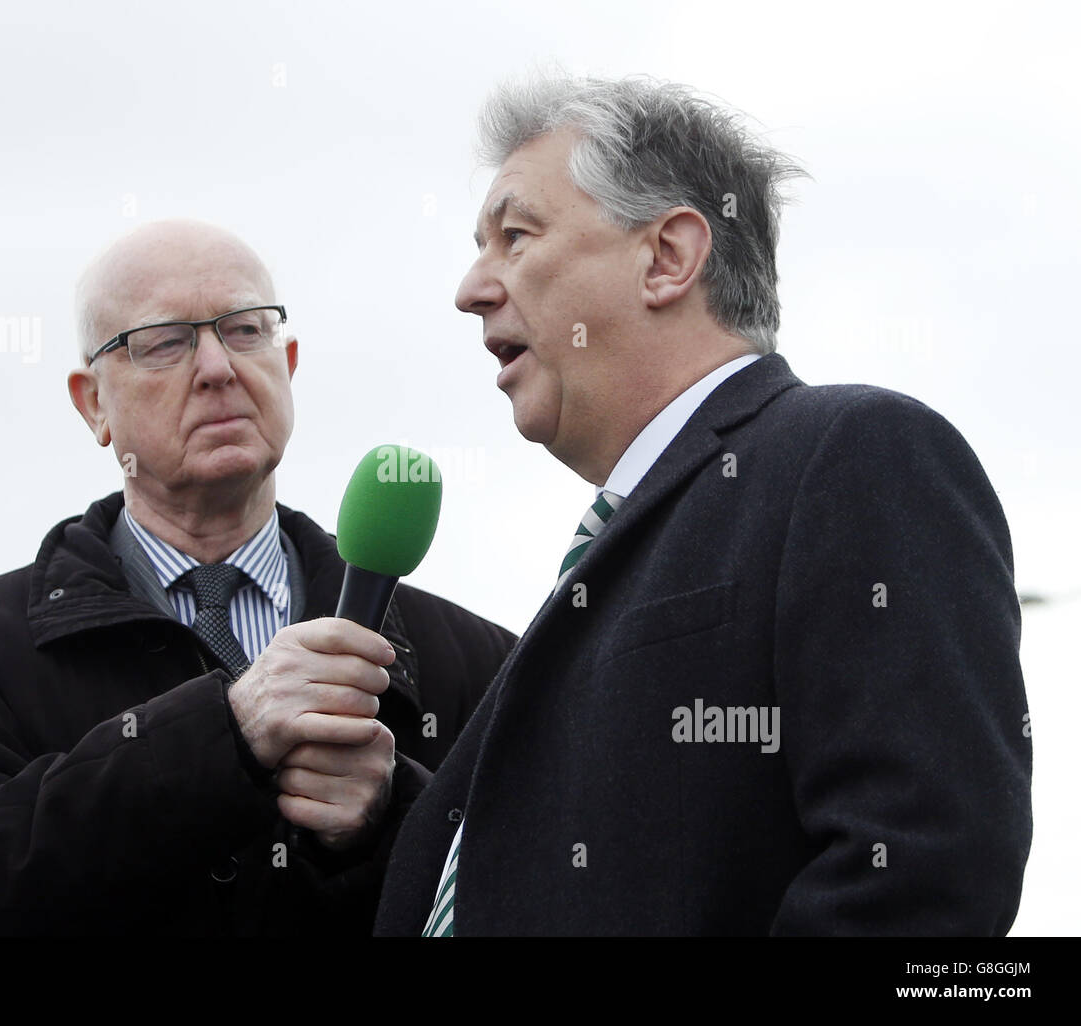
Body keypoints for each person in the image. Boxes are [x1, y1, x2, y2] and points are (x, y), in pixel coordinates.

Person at [375, 75, 1032, 936]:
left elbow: (922, 868)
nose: (471, 287)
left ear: (669, 259)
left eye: (515, 236)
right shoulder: (615, 540)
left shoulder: (855, 452)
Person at [0, 219, 515, 936]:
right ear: (93, 403)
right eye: (166, 341)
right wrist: (222, 732)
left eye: (245, 331)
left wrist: (387, 821)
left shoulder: (481, 663)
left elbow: (543, 895)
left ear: (288, 363)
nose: (218, 367)